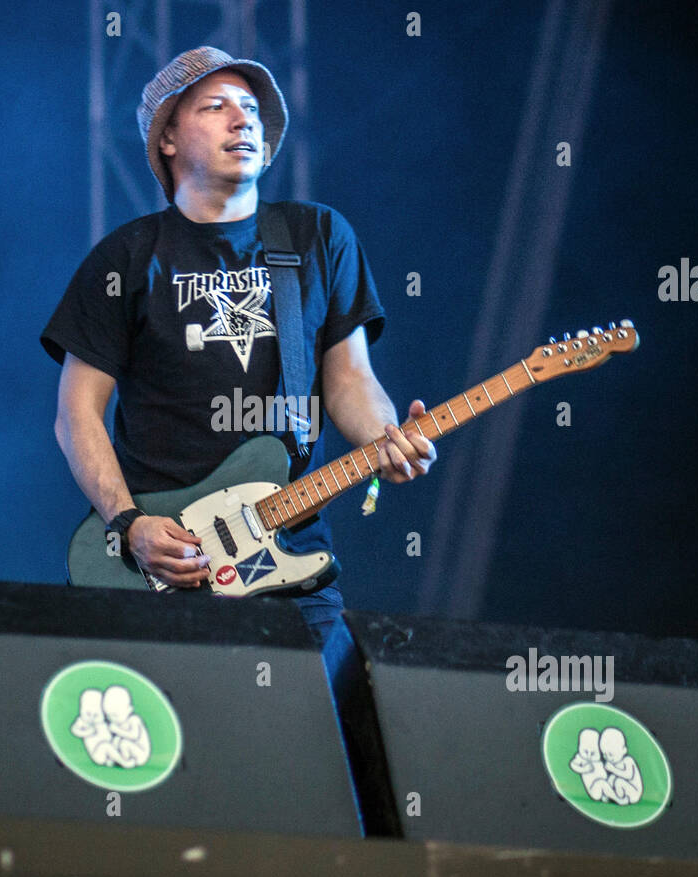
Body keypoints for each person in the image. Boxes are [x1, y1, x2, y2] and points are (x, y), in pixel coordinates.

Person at [41, 46, 436, 646]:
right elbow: (76, 416)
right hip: (164, 560)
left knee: (321, 731)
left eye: (251, 108)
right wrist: (129, 524)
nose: (242, 120)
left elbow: (351, 381)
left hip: (291, 556)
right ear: (167, 138)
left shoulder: (319, 236)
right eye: (215, 106)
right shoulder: (125, 257)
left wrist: (387, 436)